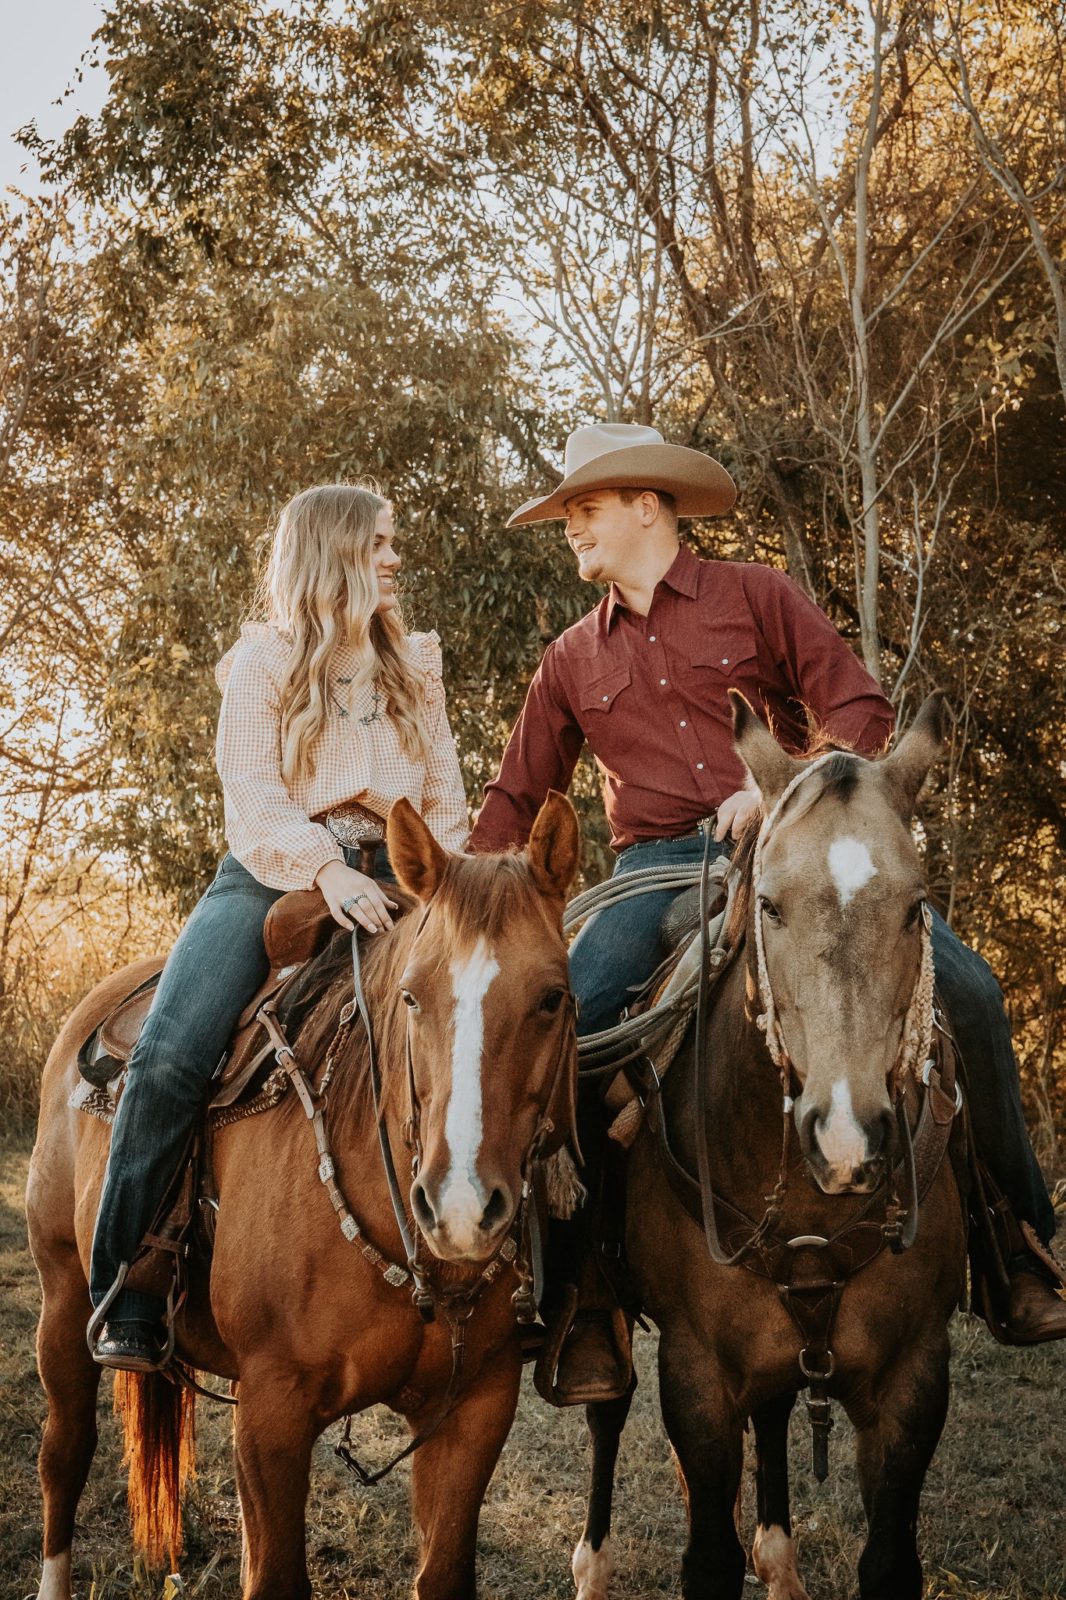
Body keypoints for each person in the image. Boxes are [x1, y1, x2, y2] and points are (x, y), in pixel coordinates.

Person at [469, 422, 1066, 1397]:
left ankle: (1017, 1253)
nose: (571, 526)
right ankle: (584, 1302)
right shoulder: (571, 659)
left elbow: (864, 715)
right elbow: (509, 806)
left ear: (649, 505)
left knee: (973, 994)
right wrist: (451, 886)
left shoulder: (758, 595)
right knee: (563, 1035)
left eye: (586, 507)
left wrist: (780, 787)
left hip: (798, 853)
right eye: (569, 512)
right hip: (655, 871)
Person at [90, 483, 469, 1370]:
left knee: (500, 1018)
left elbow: (446, 797)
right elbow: (255, 802)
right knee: (173, 1053)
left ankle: (528, 1276)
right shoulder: (263, 665)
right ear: (333, 552)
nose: (394, 559)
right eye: (379, 544)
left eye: (393, 544)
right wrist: (326, 869)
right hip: (272, 876)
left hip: (402, 876)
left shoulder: (414, 663)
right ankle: (130, 1284)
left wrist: (440, 883)